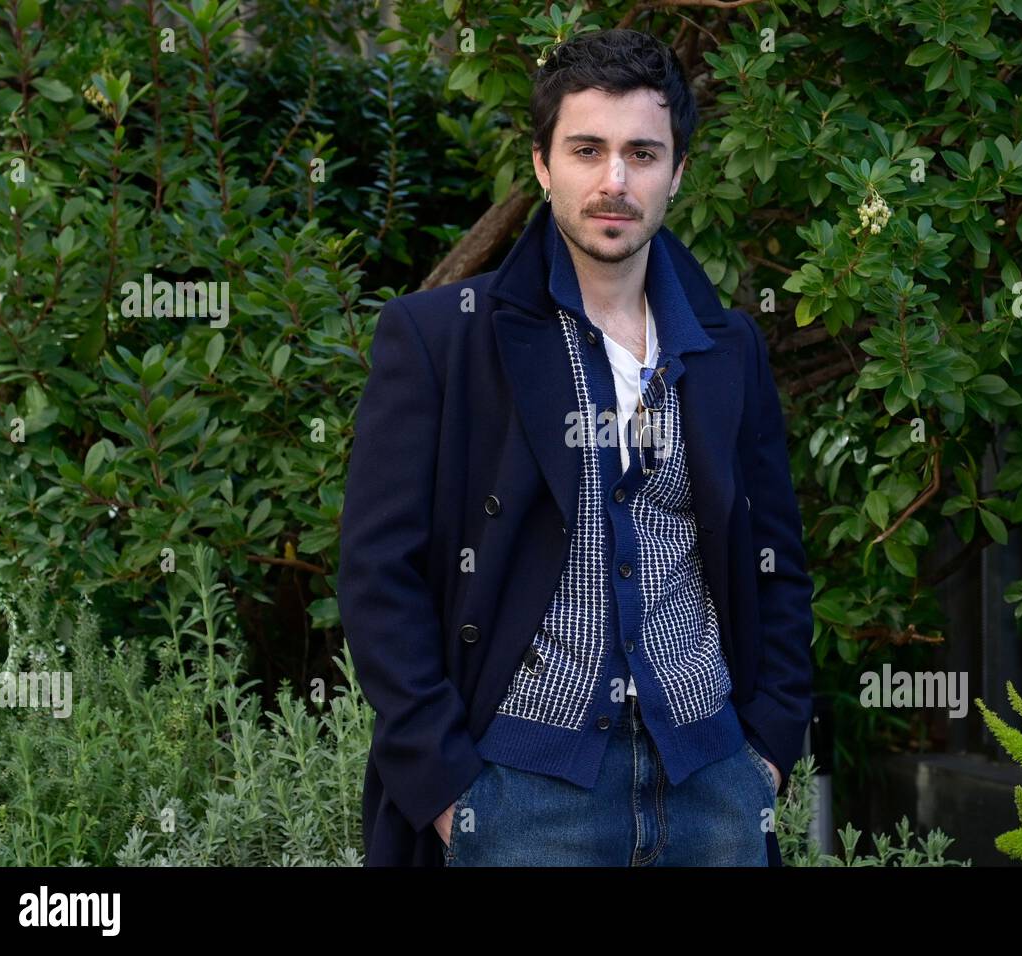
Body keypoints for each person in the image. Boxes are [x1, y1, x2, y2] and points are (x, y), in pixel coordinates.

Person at [339, 27, 814, 867]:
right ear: (541, 165)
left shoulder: (727, 347)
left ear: (678, 173)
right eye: (587, 149)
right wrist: (450, 788)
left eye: (642, 152)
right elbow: (379, 575)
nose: (615, 181)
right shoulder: (440, 339)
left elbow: (775, 559)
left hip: (713, 788)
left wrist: (767, 753)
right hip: (518, 790)